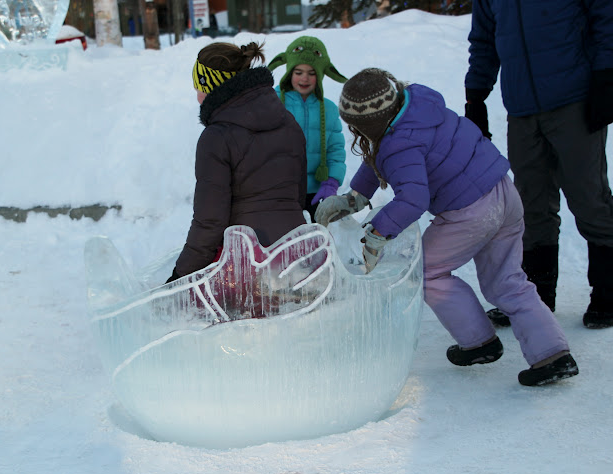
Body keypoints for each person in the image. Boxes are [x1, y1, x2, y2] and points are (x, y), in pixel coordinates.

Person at [315, 68, 578, 386]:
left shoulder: (398, 145)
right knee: (508, 282)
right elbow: (385, 154)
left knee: (426, 272)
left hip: (470, 212)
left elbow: (412, 197)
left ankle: (479, 341)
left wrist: (376, 235)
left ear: (365, 124)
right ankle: (552, 355)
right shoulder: (417, 105)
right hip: (504, 193)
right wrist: (354, 198)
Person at [464, 0, 613, 329]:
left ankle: (608, 291)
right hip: (521, 108)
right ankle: (537, 295)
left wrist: (606, 74)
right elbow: (485, 38)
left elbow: (605, 15)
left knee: (589, 197)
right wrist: (475, 94)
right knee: (530, 203)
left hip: (575, 98)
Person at [166, 41, 307, 282]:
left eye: (199, 87)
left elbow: (209, 222)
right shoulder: (288, 121)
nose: (198, 97)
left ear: (211, 87)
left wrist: (179, 276)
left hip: (248, 267)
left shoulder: (216, 137)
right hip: (297, 256)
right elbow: (298, 195)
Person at [268, 36, 348, 223]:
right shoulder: (272, 102)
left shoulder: (328, 109)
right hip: (278, 190)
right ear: (289, 72)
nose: (305, 78)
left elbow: (335, 150)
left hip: (315, 192)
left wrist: (331, 182)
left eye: (312, 72)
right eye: (298, 71)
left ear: (320, 75)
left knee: (314, 242)